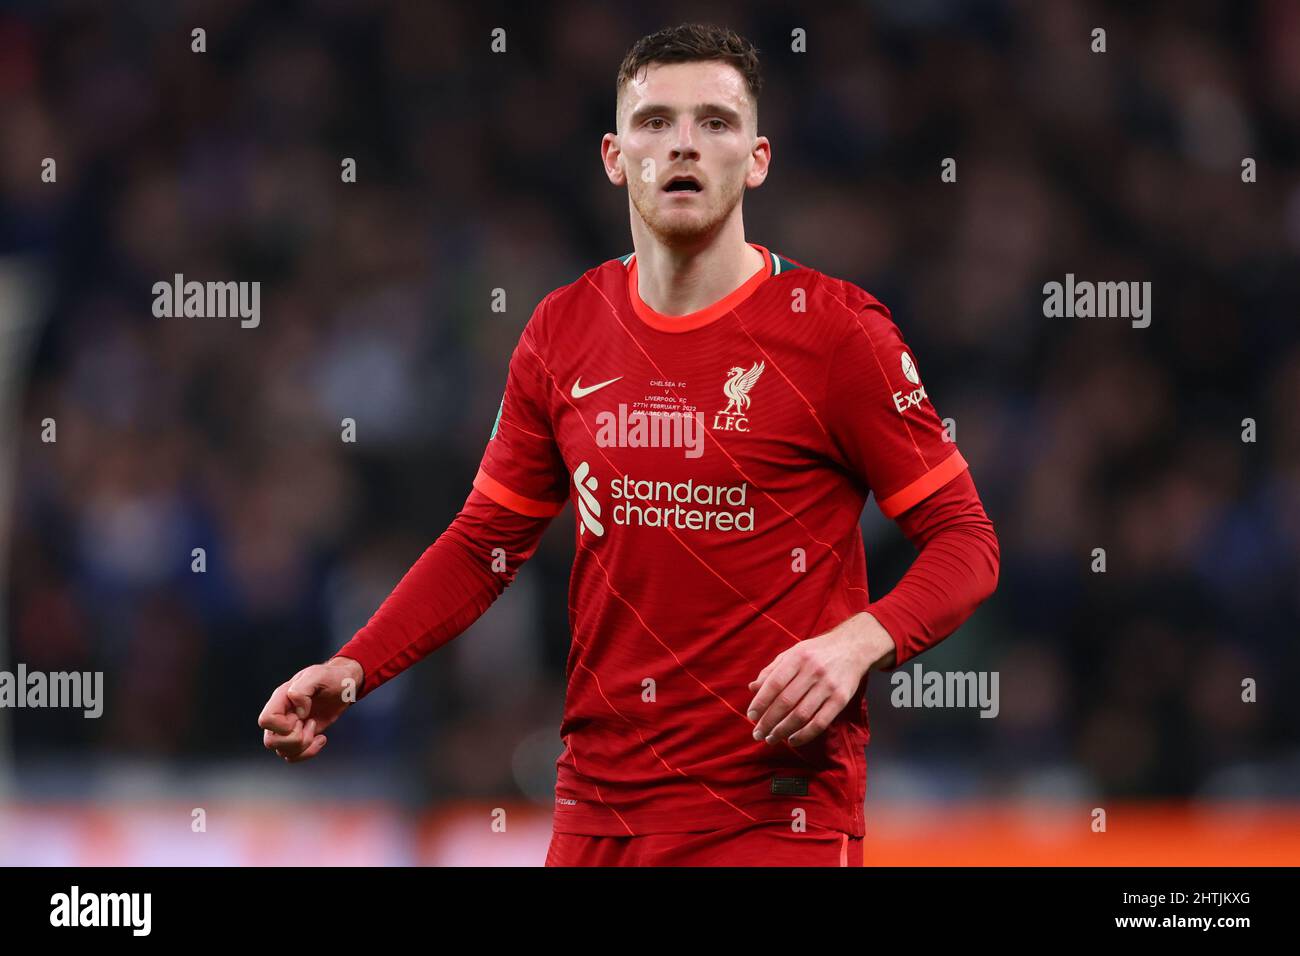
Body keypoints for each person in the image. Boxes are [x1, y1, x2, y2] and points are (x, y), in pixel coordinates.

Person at [259, 22, 1000, 867]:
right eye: (655, 121)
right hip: (599, 808)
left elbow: (966, 541)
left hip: (773, 813)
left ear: (757, 159)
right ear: (614, 157)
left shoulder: (837, 333)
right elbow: (484, 545)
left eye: (715, 122)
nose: (684, 144)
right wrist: (354, 668)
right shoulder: (563, 329)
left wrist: (859, 641)